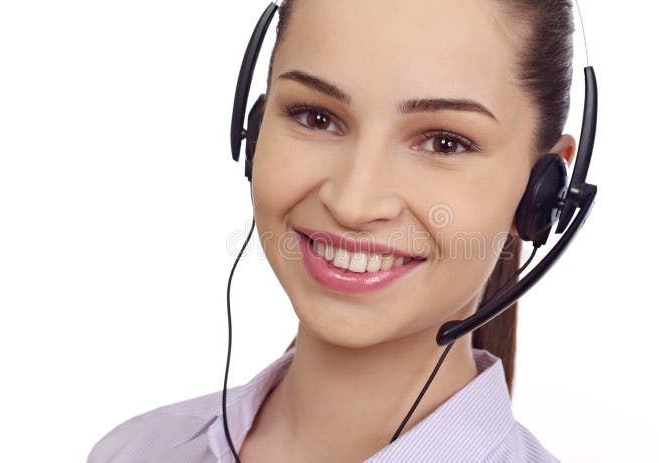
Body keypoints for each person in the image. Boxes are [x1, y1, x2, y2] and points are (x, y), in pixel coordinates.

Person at [89, 0, 578, 461]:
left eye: (445, 144)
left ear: (542, 192)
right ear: (254, 129)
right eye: (316, 117)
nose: (353, 203)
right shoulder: (137, 450)